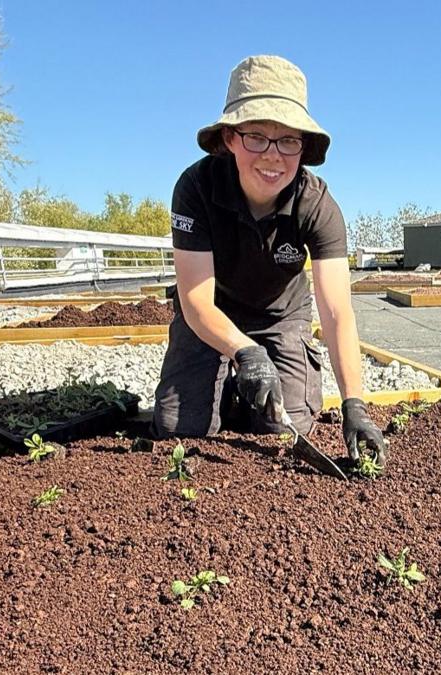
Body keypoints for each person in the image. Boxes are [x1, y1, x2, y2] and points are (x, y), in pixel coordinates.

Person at [151, 54, 388, 465]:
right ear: (229, 138)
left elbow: (336, 312)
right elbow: (195, 302)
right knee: (179, 427)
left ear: (303, 145)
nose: (273, 156)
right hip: (212, 313)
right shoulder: (196, 188)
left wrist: (355, 405)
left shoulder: (316, 205)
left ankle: (240, 387)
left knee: (284, 425)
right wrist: (245, 352)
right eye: (256, 136)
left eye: (288, 141)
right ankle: (223, 376)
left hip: (282, 316)